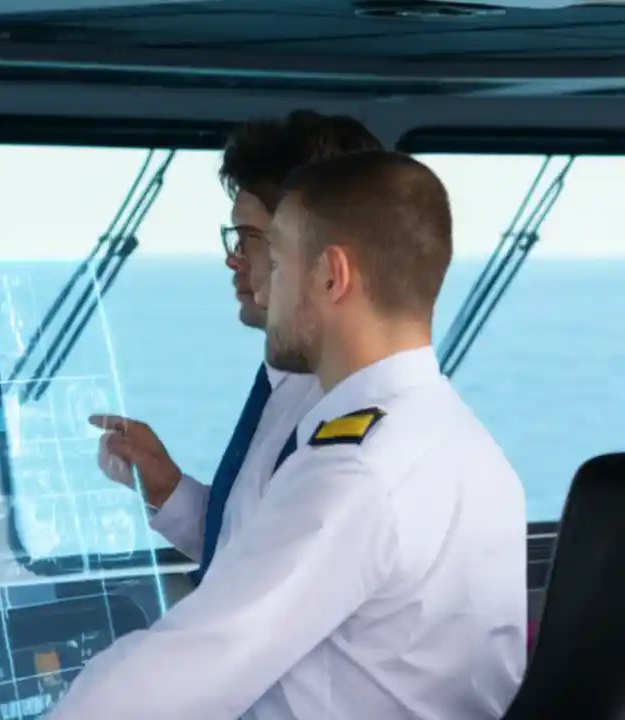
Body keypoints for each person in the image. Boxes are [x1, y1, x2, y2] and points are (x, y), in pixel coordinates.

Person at [49, 151, 527, 719]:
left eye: (275, 262)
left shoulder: (355, 470)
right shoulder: (462, 440)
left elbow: (191, 667)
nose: (264, 289)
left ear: (330, 276)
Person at [91, 110, 383, 581]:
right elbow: (247, 547)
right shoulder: (289, 380)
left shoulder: (361, 423)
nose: (233, 259)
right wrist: (166, 487)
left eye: (249, 239)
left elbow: (271, 599)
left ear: (322, 255)